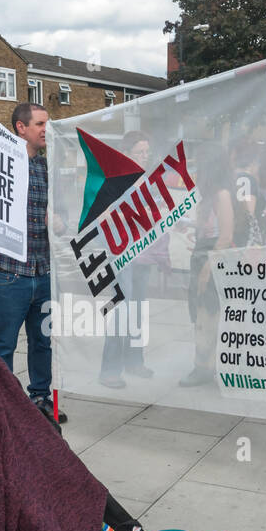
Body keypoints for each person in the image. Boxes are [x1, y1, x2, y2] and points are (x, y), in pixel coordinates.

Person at [0, 102, 66, 422]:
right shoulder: (3, 166)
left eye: (46, 124)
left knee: (43, 342)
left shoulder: (48, 167)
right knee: (3, 346)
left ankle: (40, 399)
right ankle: (5, 407)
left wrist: (60, 218)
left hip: (44, 271)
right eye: (39, 124)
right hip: (11, 274)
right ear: (21, 128)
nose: (45, 130)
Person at [99, 131, 157, 387]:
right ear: (126, 154)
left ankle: (135, 361)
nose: (145, 156)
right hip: (121, 256)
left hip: (143, 254)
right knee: (121, 311)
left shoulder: (145, 181)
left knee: (137, 311)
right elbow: (103, 216)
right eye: (139, 152)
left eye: (147, 152)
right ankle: (109, 370)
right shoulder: (115, 181)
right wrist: (138, 214)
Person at [180, 142, 237, 387]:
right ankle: (204, 364)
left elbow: (226, 235)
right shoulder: (211, 194)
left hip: (212, 260)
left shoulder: (222, 194)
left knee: (208, 315)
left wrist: (207, 268)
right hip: (204, 256)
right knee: (200, 314)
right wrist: (192, 227)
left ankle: (203, 366)